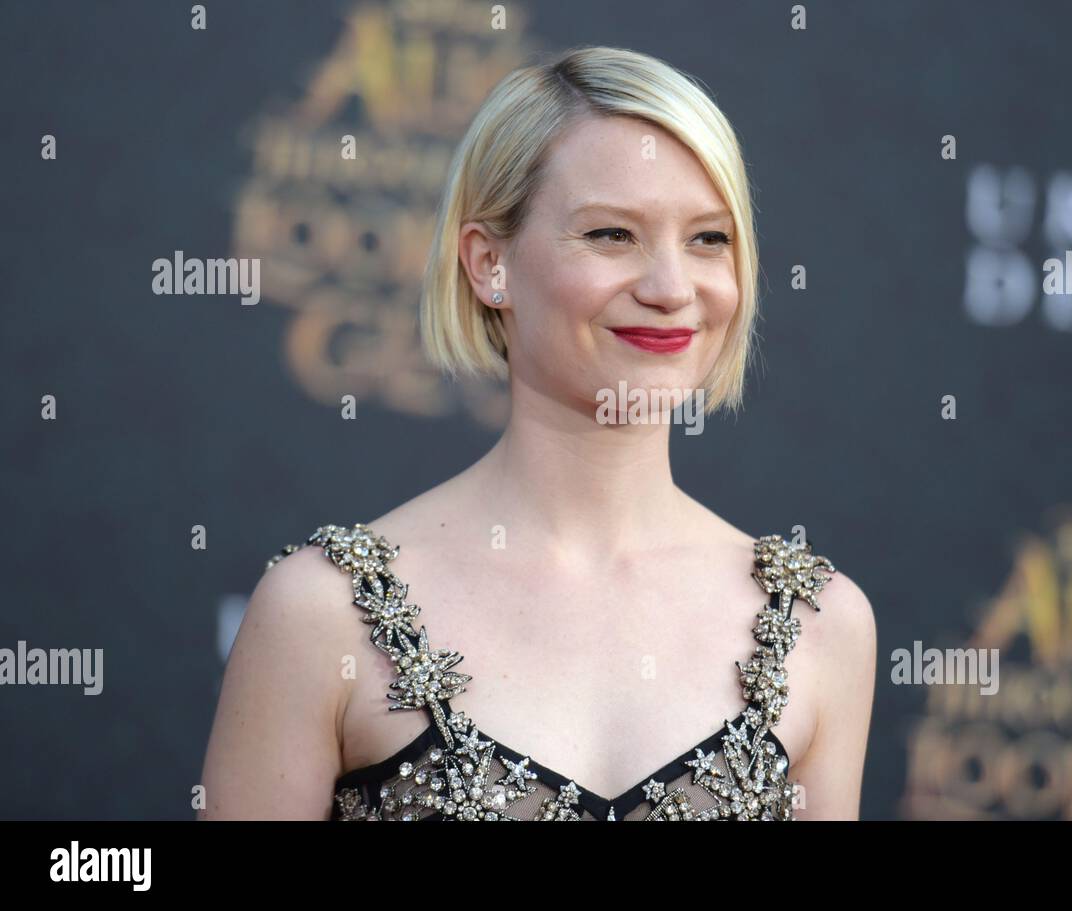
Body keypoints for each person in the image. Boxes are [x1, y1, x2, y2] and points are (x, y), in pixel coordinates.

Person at [198, 44, 875, 821]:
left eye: (708, 239)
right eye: (612, 234)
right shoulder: (321, 613)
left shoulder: (820, 623)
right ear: (491, 264)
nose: (670, 288)